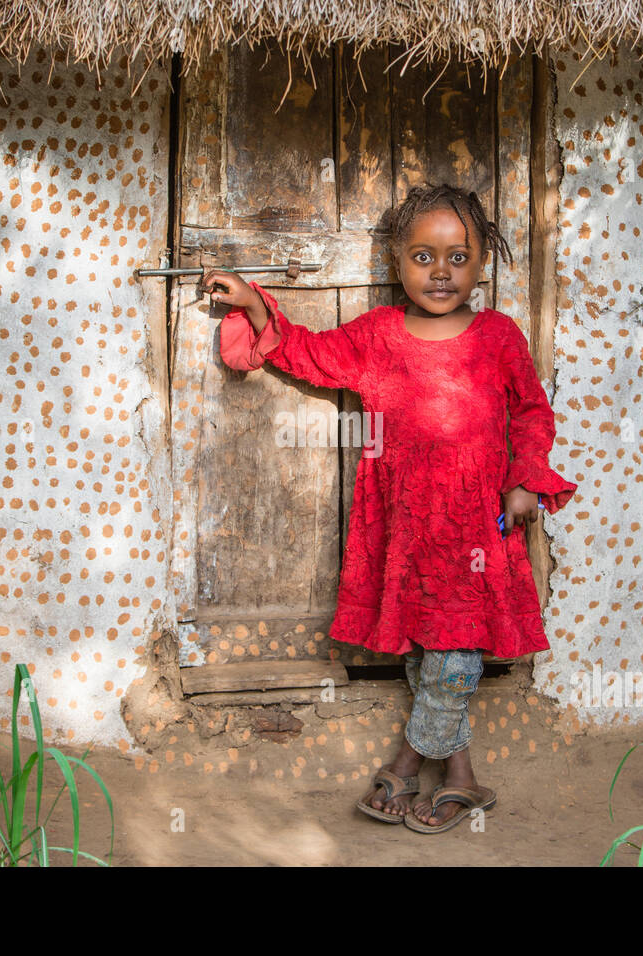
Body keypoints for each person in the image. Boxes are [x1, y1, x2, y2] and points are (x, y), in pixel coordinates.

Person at [207, 182, 579, 834]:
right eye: (423, 257)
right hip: (408, 531)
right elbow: (312, 356)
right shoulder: (379, 335)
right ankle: (462, 778)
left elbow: (531, 412)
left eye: (457, 257)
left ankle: (407, 762)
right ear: (397, 263)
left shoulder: (498, 337)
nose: (441, 272)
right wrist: (258, 308)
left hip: (477, 530)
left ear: (482, 261)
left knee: (457, 654)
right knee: (427, 653)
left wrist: (526, 481)